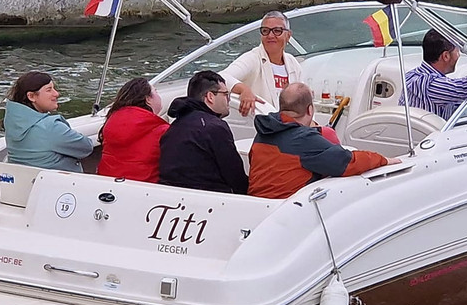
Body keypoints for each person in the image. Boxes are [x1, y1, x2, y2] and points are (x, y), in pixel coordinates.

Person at [249, 83, 398, 199]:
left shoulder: (263, 133)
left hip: (256, 203)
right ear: (310, 110)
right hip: (286, 210)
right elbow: (347, 162)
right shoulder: (305, 139)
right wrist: (383, 160)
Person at [401, 12, 467, 121]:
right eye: (458, 50)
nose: (459, 54)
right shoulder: (430, 84)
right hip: (431, 135)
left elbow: (453, 100)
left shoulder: (412, 76)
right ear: (446, 56)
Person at [158, 70, 248, 194]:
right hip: (208, 197)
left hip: (170, 195)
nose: (228, 100)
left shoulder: (174, 126)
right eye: (226, 94)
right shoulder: (214, 127)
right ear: (210, 97)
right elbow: (234, 174)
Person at [4, 71, 94, 172]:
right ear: (31, 96)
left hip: (24, 182)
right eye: (49, 90)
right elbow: (86, 147)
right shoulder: (51, 127)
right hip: (61, 184)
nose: (56, 94)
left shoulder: (11, 123)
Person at [221, 11, 304, 117]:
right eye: (265, 31)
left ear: (288, 35)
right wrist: (244, 89)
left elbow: (303, 98)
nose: (270, 35)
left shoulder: (293, 63)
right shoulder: (252, 58)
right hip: (264, 125)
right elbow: (221, 78)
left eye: (277, 31)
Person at [97, 77, 169, 183]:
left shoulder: (110, 124)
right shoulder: (162, 130)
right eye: (156, 91)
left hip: (106, 185)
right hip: (145, 189)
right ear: (148, 99)